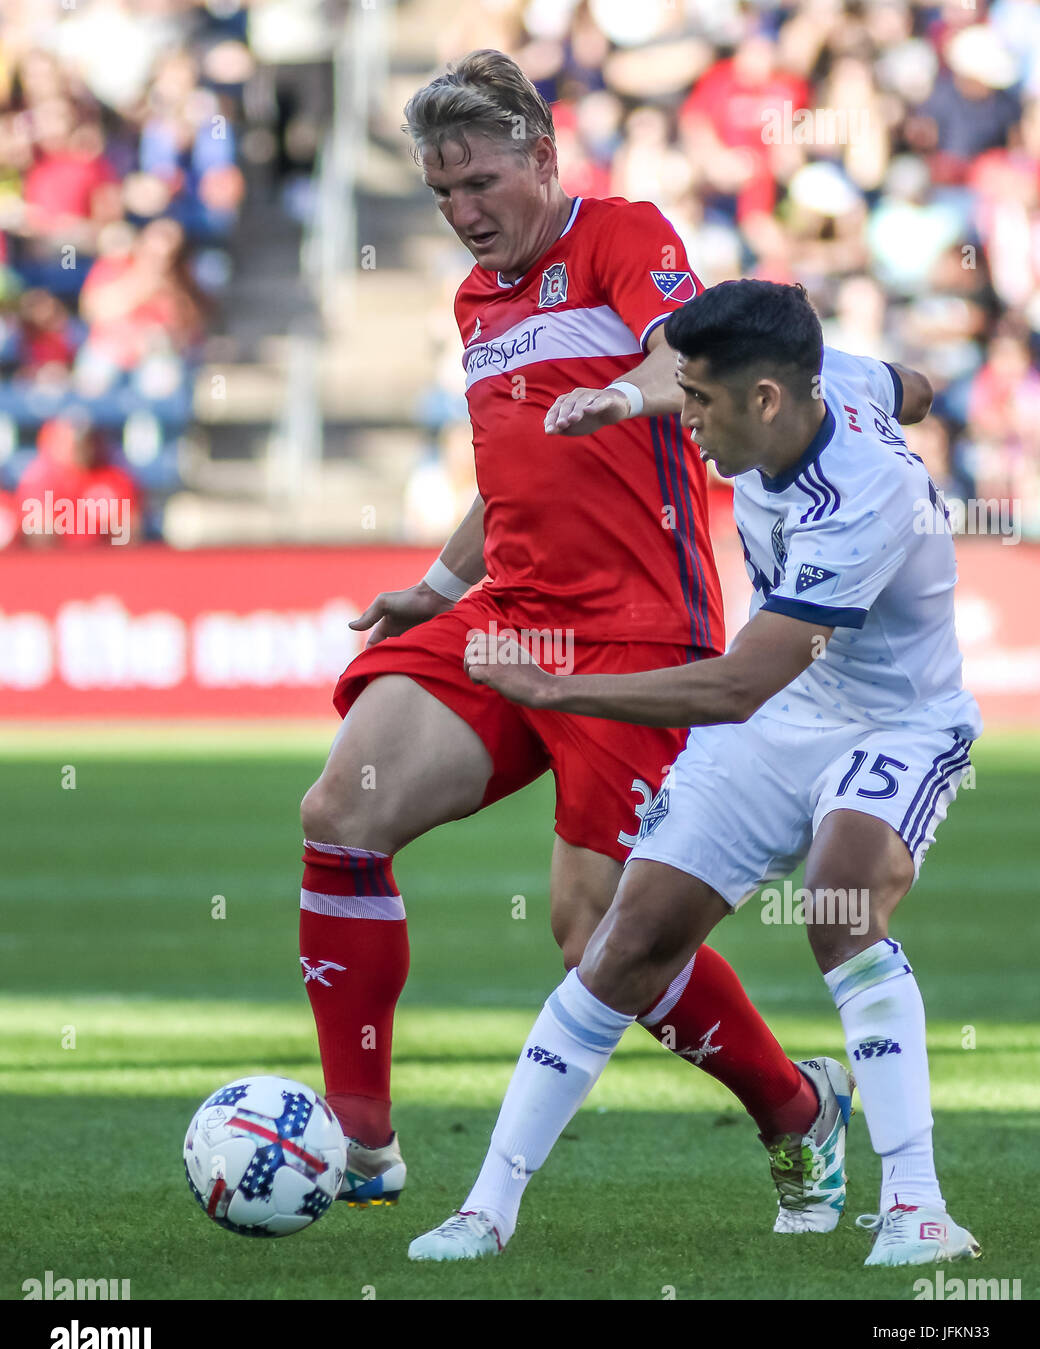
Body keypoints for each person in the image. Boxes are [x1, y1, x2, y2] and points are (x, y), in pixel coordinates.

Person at [298, 52, 851, 1229]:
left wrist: (629, 394)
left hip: (636, 634)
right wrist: (436, 584)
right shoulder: (475, 301)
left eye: (481, 182)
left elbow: (684, 350)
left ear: (542, 159)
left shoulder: (618, 232)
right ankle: (360, 1142)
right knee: (341, 813)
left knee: (597, 939)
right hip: (506, 612)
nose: (461, 215)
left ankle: (798, 1108)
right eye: (442, 194)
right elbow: (508, 474)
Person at [410, 279, 982, 1270]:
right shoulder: (820, 376)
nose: (690, 424)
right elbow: (915, 387)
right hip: (780, 716)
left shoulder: (863, 501)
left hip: (892, 720)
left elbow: (731, 685)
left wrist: (551, 690)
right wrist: (631, 397)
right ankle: (485, 1209)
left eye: (698, 403)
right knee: (625, 941)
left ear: (764, 400)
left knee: (839, 902)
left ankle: (917, 1207)